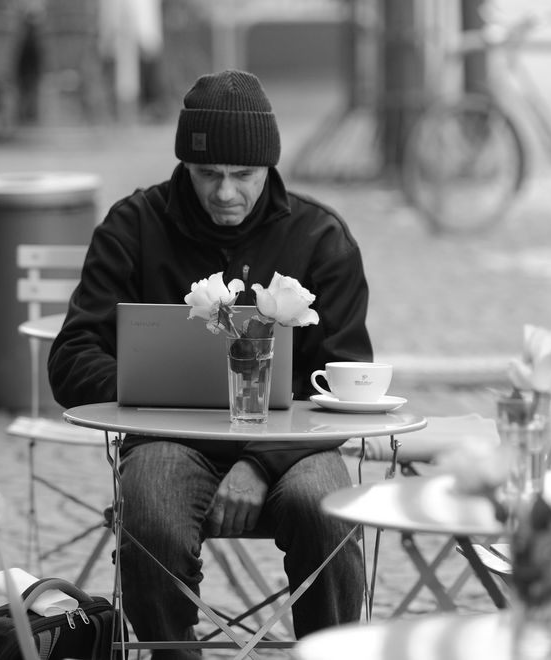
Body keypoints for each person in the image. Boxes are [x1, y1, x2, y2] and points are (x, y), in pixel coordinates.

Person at [47, 69, 373, 656]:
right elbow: (70, 361)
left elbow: (344, 382)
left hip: (290, 448)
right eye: (208, 174)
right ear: (185, 168)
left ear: (269, 167)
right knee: (150, 512)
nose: (225, 192)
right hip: (166, 441)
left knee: (328, 509)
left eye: (243, 175)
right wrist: (152, 382)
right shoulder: (133, 227)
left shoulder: (320, 238)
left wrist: (259, 464)